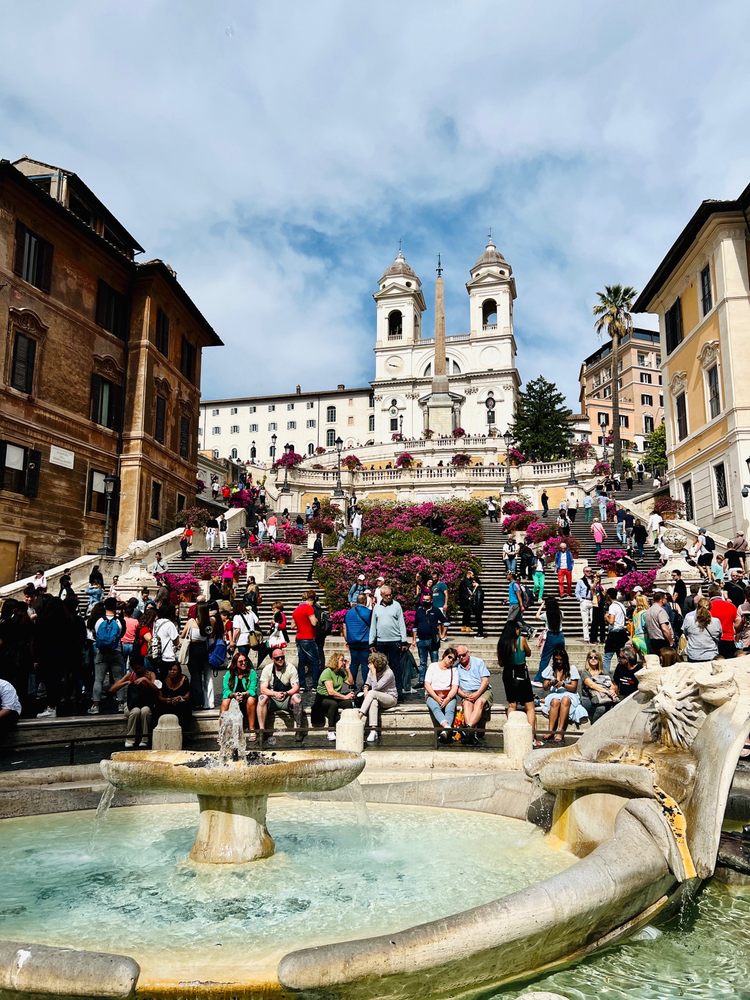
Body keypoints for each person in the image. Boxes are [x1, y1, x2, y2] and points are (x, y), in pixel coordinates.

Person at [498, 620, 540, 746]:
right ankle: (531, 737)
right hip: (521, 672)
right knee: (529, 706)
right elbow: (528, 652)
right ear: (515, 630)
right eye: (518, 629)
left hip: (508, 673)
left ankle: (511, 733)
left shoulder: (502, 643)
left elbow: (500, 662)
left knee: (512, 704)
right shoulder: (521, 640)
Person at [110, 655, 160, 748]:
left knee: (145, 711)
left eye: (138, 668)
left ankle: (145, 739)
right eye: (134, 668)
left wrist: (145, 680)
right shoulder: (130, 675)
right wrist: (125, 682)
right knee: (136, 711)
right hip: (131, 704)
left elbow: (156, 690)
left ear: (143, 666)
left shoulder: (150, 674)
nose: (136, 670)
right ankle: (130, 739)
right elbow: (112, 689)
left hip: (146, 703)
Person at [257, 648, 303, 745]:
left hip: (287, 698)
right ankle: (262, 731)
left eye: (282, 657)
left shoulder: (291, 668)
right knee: (262, 698)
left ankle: (298, 729)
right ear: (272, 659)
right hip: (272, 699)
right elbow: (263, 689)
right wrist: (274, 694)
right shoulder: (267, 669)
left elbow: (296, 687)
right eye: (277, 658)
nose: (280, 659)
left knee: (297, 698)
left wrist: (286, 693)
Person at [541, 648, 587, 741]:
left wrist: (563, 684)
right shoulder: (550, 669)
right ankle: (550, 730)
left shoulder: (571, 668)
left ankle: (560, 730)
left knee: (565, 699)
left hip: (569, 693)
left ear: (565, 659)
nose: (559, 661)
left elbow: (574, 688)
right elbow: (545, 687)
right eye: (556, 659)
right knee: (554, 702)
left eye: (561, 659)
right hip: (555, 693)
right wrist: (550, 683)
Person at [369, 586, 408, 695]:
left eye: (390, 594)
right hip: (381, 642)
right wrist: (371, 642)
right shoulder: (376, 607)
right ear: (381, 595)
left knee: (396, 668)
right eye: (386, 595)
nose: (389, 597)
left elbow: (401, 624)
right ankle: (382, 691)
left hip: (395, 641)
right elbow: (373, 625)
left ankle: (398, 692)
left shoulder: (396, 606)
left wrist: (403, 641)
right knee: (381, 668)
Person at [89, 597, 126, 715]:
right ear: (115, 607)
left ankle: (95, 705)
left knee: (98, 680)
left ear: (105, 606)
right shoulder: (120, 621)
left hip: (102, 652)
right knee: (118, 678)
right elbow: (121, 635)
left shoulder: (99, 620)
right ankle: (120, 703)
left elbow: (96, 635)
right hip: (116, 651)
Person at [312, 652, 355, 741]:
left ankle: (348, 726)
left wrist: (348, 669)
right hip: (323, 698)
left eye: (344, 660)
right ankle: (331, 731)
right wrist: (344, 697)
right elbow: (331, 692)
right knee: (333, 704)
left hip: (335, 696)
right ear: (335, 661)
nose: (343, 662)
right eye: (341, 660)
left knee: (348, 703)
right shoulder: (327, 672)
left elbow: (351, 683)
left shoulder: (341, 672)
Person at [455, 644, 493, 743]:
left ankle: (468, 730)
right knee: (467, 704)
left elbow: (485, 681)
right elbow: (455, 687)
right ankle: (471, 732)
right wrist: (463, 695)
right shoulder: (456, 668)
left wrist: (477, 694)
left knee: (479, 702)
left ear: (468, 653)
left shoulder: (478, 662)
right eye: (458, 656)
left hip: (482, 690)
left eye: (463, 655)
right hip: (467, 693)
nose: (461, 658)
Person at [358, 651, 397, 744]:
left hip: (390, 698)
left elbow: (375, 687)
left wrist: (374, 673)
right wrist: (365, 688)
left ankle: (359, 715)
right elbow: (368, 682)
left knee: (372, 693)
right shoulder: (372, 668)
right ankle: (373, 731)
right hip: (376, 696)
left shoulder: (389, 673)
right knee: (373, 702)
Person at [181, 602, 213, 710]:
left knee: (195, 676)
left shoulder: (191, 621)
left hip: (193, 649)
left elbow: (183, 634)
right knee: (202, 675)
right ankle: (204, 701)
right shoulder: (209, 623)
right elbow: (210, 636)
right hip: (204, 650)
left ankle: (196, 701)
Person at [424, 647, 459, 743]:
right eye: (449, 657)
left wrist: (448, 698)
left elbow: (455, 687)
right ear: (444, 656)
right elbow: (427, 684)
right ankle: (447, 727)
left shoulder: (454, 670)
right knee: (435, 707)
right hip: (432, 695)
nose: (451, 660)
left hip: (448, 696)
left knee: (450, 710)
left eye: (454, 659)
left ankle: (444, 732)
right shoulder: (433, 666)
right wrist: (435, 697)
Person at [221, 651, 258, 739]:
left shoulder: (252, 673)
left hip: (246, 700)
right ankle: (223, 731)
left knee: (251, 699)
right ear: (235, 663)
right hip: (234, 700)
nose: (244, 663)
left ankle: (252, 730)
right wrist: (233, 695)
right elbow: (225, 691)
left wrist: (245, 693)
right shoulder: (229, 674)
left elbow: (253, 689)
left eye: (245, 661)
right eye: (241, 662)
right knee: (225, 701)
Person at [413, 593, 446, 687]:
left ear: (431, 600)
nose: (425, 601)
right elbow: (415, 626)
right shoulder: (419, 611)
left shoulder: (436, 610)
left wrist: (443, 634)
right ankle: (421, 681)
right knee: (422, 662)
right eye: (424, 599)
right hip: (421, 640)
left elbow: (445, 622)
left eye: (427, 600)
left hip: (433, 641)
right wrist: (414, 640)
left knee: (434, 662)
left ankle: (435, 681)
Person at [292, 591, 320, 691]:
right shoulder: (309, 608)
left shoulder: (296, 610)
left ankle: (302, 685)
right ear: (309, 600)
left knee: (301, 663)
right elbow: (313, 623)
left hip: (299, 638)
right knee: (315, 662)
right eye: (312, 601)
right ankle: (315, 685)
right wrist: (316, 620)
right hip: (308, 638)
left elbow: (292, 625)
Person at [580, 650, 617, 723]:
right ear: (588, 659)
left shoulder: (603, 671)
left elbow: (611, 684)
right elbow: (592, 685)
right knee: (601, 708)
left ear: (599, 659)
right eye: (590, 657)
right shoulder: (585, 672)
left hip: (603, 696)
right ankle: (594, 727)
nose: (593, 659)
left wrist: (612, 690)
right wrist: (607, 691)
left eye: (595, 657)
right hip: (589, 699)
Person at [344, 594, 372, 691]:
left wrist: (346, 639)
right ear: (365, 601)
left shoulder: (349, 613)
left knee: (354, 663)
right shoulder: (368, 612)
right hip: (365, 641)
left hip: (352, 641)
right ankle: (365, 684)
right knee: (365, 664)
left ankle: (352, 683)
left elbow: (344, 627)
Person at [535, 595, 565, 681]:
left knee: (545, 658)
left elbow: (536, 617)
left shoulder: (546, 615)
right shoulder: (561, 613)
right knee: (561, 657)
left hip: (551, 636)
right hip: (560, 636)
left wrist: (541, 606)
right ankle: (561, 676)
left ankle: (540, 678)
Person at [682, 598, 721, 662]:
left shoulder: (689, 620)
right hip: (711, 654)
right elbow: (719, 636)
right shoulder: (716, 621)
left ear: (697, 606)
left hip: (693, 654)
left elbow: (686, 635)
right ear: (710, 608)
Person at [708, 585, 740, 659]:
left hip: (712, 640)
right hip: (729, 639)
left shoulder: (707, 608)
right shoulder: (731, 606)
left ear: (709, 594)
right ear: (720, 594)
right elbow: (737, 622)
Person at [157, 662, 192, 730]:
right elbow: (159, 697)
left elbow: (187, 696)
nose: (172, 672)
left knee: (185, 707)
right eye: (170, 670)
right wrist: (166, 700)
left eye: (174, 670)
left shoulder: (184, 679)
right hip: (166, 703)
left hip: (180, 703)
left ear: (179, 671)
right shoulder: (163, 678)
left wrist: (180, 698)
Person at [603, 587, 628, 671]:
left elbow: (611, 621)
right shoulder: (621, 605)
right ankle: (622, 672)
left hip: (614, 633)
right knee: (620, 656)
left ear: (609, 596)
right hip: (622, 633)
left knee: (607, 656)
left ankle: (605, 676)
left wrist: (606, 616)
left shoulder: (612, 606)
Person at [643, 590, 674, 657]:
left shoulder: (648, 611)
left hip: (652, 640)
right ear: (661, 600)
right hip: (662, 641)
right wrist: (671, 641)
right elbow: (664, 628)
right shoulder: (660, 611)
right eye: (665, 598)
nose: (666, 600)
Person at [457, 570, 485, 637]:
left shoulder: (463, 581)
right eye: (472, 575)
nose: (473, 578)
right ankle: (467, 626)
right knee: (467, 613)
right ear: (469, 574)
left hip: (464, 600)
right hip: (467, 600)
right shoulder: (467, 582)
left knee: (466, 613)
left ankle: (465, 626)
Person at [575, 567, 594, 640]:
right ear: (584, 572)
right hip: (584, 600)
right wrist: (581, 600)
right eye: (587, 571)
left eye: (590, 571)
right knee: (585, 621)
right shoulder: (580, 581)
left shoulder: (594, 580)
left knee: (593, 620)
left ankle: (593, 637)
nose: (589, 572)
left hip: (593, 601)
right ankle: (586, 637)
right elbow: (577, 592)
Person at [630, 592, 650, 658]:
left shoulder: (635, 613)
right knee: (647, 659)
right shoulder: (645, 613)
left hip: (636, 638)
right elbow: (647, 626)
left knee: (641, 659)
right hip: (644, 638)